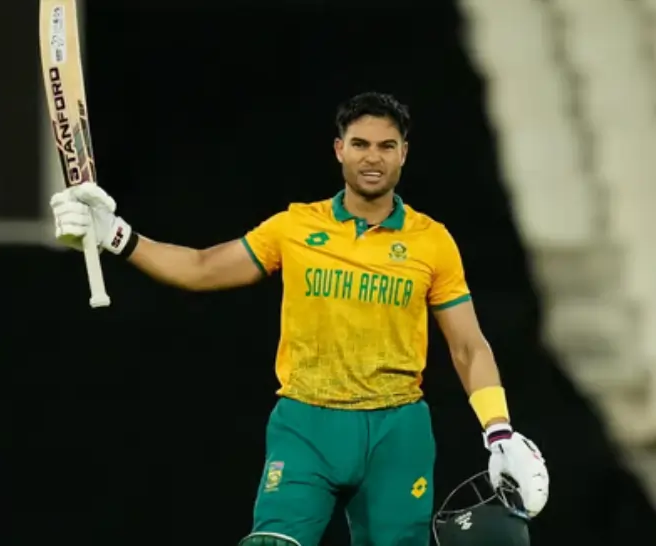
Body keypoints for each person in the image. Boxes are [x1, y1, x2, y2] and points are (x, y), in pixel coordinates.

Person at [50, 92, 549, 546]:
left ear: (403, 153)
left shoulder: (432, 241)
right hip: (307, 422)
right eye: (360, 144)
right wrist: (117, 235)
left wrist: (498, 430)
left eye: (385, 145)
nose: (372, 157)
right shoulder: (294, 227)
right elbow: (202, 268)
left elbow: (468, 346)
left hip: (397, 430)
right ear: (339, 150)